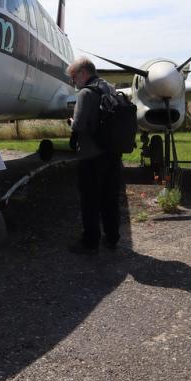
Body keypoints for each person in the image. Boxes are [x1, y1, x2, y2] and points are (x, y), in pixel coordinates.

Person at [66, 57, 122, 254]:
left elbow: (79, 125)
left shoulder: (86, 93)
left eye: (74, 78)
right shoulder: (110, 88)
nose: (74, 83)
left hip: (91, 156)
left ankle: (90, 242)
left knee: (90, 200)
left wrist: (71, 120)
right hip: (113, 154)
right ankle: (112, 238)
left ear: (83, 73)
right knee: (110, 198)